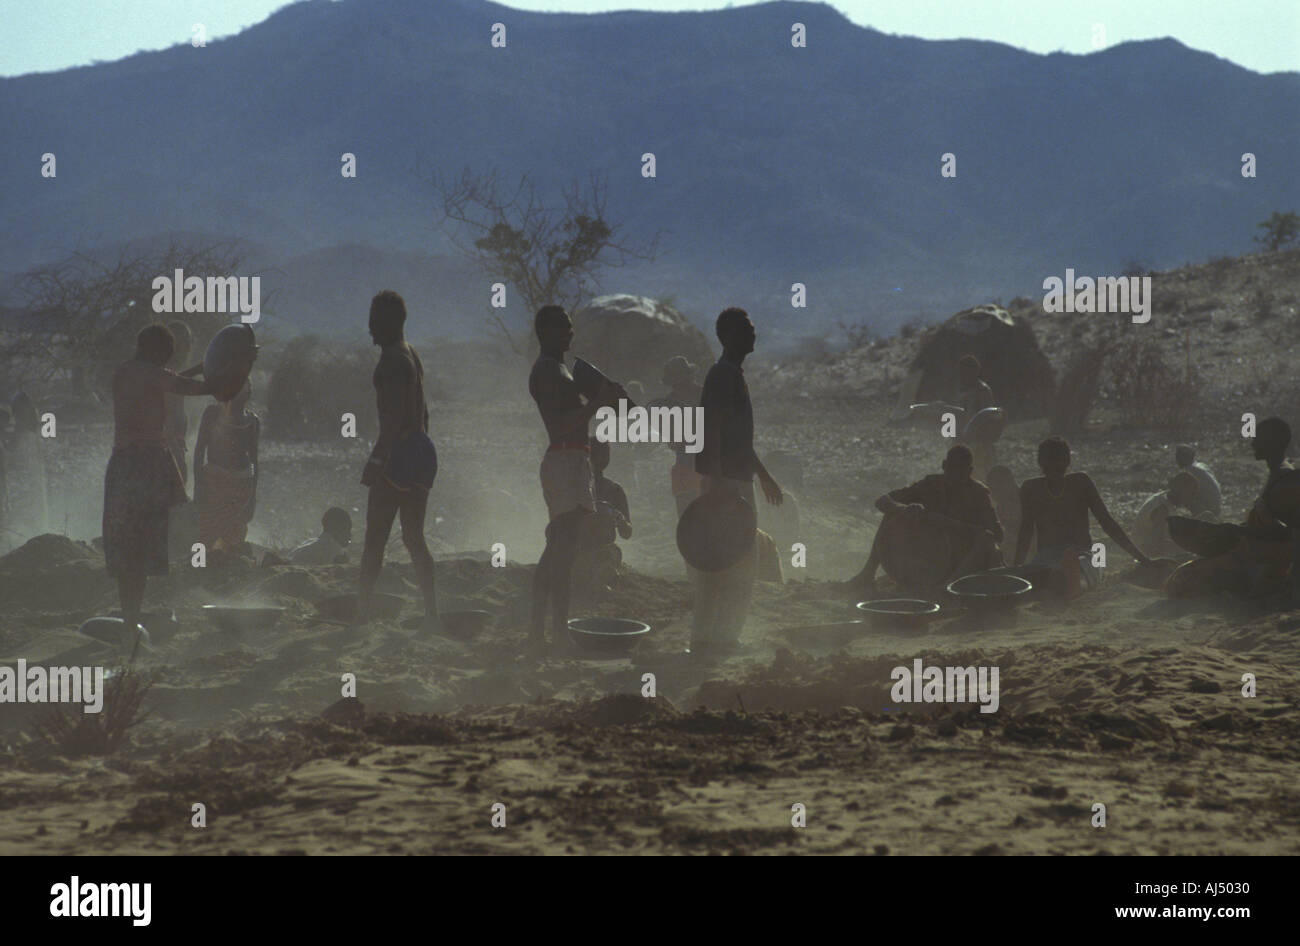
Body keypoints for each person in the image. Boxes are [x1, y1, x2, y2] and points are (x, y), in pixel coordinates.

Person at [103, 323, 232, 639]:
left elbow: (170, 380)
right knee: (141, 547)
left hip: (122, 465)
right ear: (157, 352)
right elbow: (190, 387)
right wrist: (225, 373)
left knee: (128, 550)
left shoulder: (126, 371)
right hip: (146, 465)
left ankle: (130, 619)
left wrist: (204, 366)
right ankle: (132, 622)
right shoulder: (153, 374)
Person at [527, 305, 624, 654]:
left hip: (572, 459)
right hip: (565, 460)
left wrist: (601, 401)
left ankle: (545, 633)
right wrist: (598, 402)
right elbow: (562, 423)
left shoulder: (557, 368)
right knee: (561, 552)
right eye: (564, 328)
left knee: (560, 550)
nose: (571, 333)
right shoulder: (548, 370)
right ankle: (552, 635)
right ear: (547, 332)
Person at [691, 307, 783, 657]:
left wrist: (764, 476)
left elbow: (737, 440)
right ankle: (719, 640)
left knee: (725, 561)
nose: (754, 333)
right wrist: (716, 486)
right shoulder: (723, 375)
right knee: (734, 563)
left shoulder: (729, 374)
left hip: (731, 480)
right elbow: (711, 430)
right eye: (747, 328)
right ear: (729, 336)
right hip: (727, 484)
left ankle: (709, 640)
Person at [357, 290, 440, 632]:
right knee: (414, 538)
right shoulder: (411, 354)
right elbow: (423, 413)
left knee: (375, 539)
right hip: (421, 451)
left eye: (375, 321)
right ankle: (432, 614)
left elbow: (391, 423)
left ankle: (360, 616)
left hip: (399, 454)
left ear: (390, 322)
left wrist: (376, 463)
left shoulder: (391, 361)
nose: (370, 328)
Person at [847, 444, 1002, 595]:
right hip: (927, 556)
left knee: (984, 539)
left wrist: (952, 525)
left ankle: (948, 589)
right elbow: (882, 501)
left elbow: (995, 535)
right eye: (952, 469)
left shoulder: (979, 493)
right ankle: (868, 573)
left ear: (969, 471)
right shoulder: (930, 484)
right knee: (893, 513)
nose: (955, 475)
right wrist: (904, 509)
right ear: (944, 465)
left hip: (961, 559)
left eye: (960, 470)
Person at [1166, 417, 1294, 598]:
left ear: (1273, 442)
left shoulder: (1286, 478)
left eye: (1258, 438)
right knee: (1182, 574)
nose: (1253, 443)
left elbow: (1288, 535)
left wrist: (1240, 533)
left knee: (1185, 578)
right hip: (1252, 552)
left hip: (1264, 561)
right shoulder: (1278, 474)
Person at [1013, 436, 1151, 598]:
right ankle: (1066, 581)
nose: (1054, 469)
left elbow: (1107, 523)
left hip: (1080, 554)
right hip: (1049, 557)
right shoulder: (1031, 488)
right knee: (1057, 573)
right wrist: (1017, 569)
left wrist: (1141, 557)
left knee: (1090, 561)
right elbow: (1026, 530)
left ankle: (1070, 581)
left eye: (1057, 464)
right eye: (1050, 464)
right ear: (1042, 464)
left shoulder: (1080, 483)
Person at [193, 381, 259, 554]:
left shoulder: (252, 420)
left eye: (243, 390)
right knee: (206, 529)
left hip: (242, 482)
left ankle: (230, 571)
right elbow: (199, 451)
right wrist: (198, 485)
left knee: (235, 532)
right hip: (214, 479)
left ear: (248, 395)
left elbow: (254, 460)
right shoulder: (212, 414)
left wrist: (252, 497)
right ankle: (197, 569)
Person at [648, 355, 704, 516]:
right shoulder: (670, 402)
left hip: (709, 464)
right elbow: (672, 442)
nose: (678, 387)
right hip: (687, 464)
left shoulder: (706, 395)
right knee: (688, 515)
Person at [576, 438, 633, 594]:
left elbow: (627, 532)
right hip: (581, 548)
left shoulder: (614, 490)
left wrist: (620, 520)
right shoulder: (579, 488)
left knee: (605, 561)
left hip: (603, 549)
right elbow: (627, 534)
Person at [5, 392, 49, 549]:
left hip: (26, 485)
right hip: (32, 483)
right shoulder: (31, 434)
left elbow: (12, 460)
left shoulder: (25, 436)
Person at [1131, 471, 1199, 559]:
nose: (1193, 498)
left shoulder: (1164, 498)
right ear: (1179, 489)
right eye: (1191, 493)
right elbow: (1155, 545)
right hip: (1144, 554)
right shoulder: (1162, 510)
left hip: (1148, 549)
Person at [955, 354, 998, 481]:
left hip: (978, 443)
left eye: (967, 371)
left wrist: (981, 439)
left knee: (979, 476)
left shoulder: (982, 391)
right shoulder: (960, 391)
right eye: (962, 371)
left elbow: (987, 418)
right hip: (962, 439)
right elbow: (955, 414)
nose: (964, 375)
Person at [985, 464, 1025, 564]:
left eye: (996, 487)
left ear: (1010, 482)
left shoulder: (1024, 501)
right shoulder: (1000, 506)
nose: (992, 493)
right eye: (991, 488)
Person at [1174, 444, 1222, 518]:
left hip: (1209, 509)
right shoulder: (1200, 465)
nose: (1177, 460)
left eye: (1178, 457)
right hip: (1216, 506)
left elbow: (1185, 495)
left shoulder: (1190, 471)